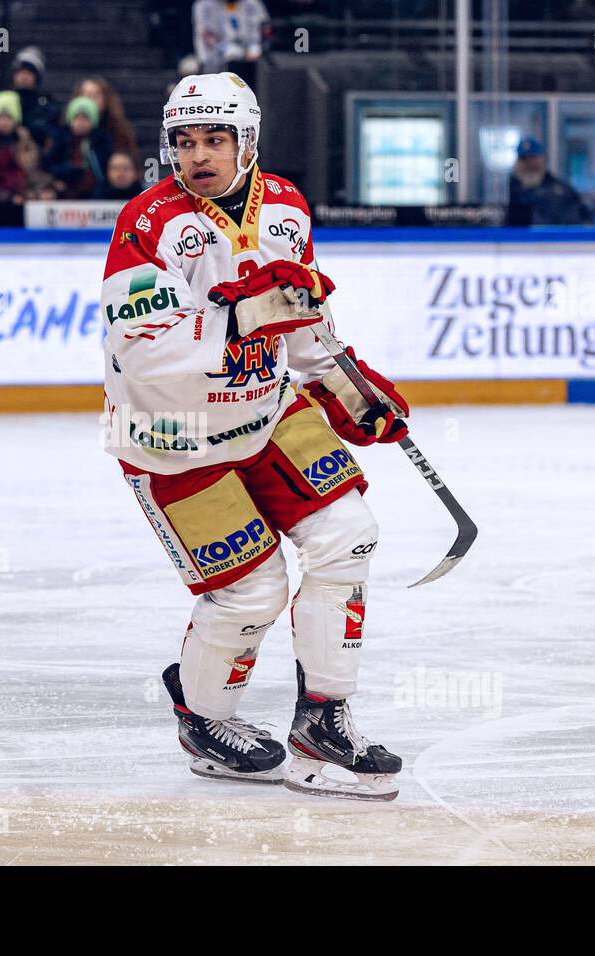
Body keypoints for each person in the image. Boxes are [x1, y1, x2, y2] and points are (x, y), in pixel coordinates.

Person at [102, 72, 407, 800]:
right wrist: (243, 316)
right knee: (251, 592)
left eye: (215, 139)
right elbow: (140, 350)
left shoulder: (289, 207)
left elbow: (299, 319)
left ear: (249, 140)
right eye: (184, 141)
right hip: (172, 434)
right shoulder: (149, 224)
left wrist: (344, 386)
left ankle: (324, 719)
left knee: (349, 535)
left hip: (268, 411)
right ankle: (204, 718)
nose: (198, 155)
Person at [506, 137, 594, 226]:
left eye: (533, 159)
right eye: (524, 160)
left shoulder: (562, 191)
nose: (529, 165)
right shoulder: (507, 191)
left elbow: (584, 221)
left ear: (542, 160)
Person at [47, 97, 113, 200]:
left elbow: (103, 168)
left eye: (85, 119)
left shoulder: (101, 140)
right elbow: (50, 163)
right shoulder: (60, 138)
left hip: (94, 188)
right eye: (77, 118)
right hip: (65, 184)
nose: (81, 123)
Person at [192, 0, 269, 86]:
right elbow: (206, 36)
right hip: (215, 61)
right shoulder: (204, 5)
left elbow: (262, 27)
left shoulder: (252, 3)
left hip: (248, 60)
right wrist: (226, 48)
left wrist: (255, 46)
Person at [72, 76, 139, 158]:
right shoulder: (67, 131)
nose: (91, 100)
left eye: (96, 95)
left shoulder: (118, 131)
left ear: (105, 99)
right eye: (87, 95)